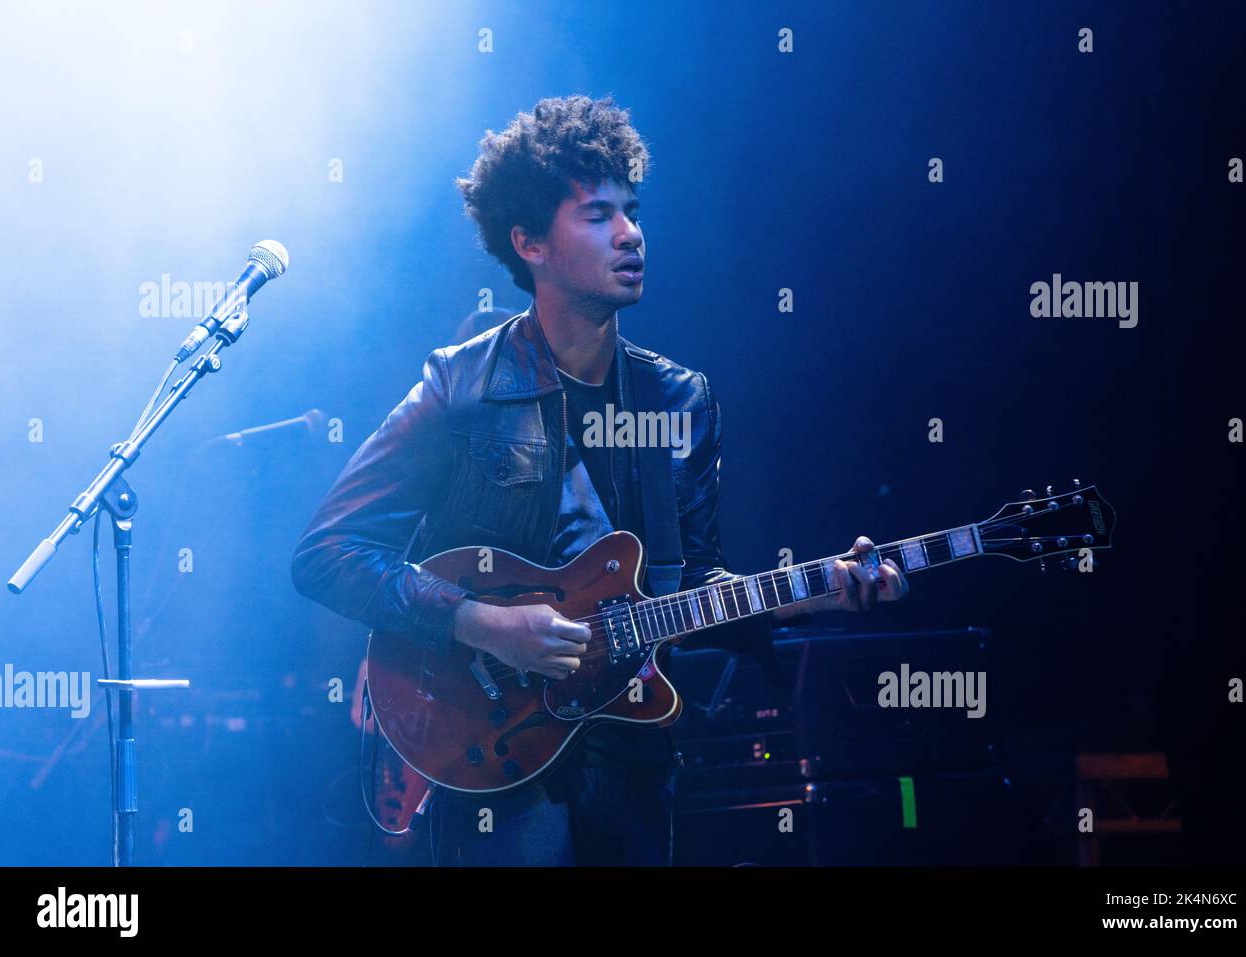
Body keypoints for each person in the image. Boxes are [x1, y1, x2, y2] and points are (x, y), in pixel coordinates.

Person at [291, 94, 907, 866]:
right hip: (496, 754)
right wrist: (483, 622)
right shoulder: (463, 386)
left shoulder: (681, 399)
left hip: (632, 753)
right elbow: (327, 551)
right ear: (530, 242)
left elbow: (695, 583)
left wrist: (812, 594)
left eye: (634, 210)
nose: (631, 234)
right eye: (598, 215)